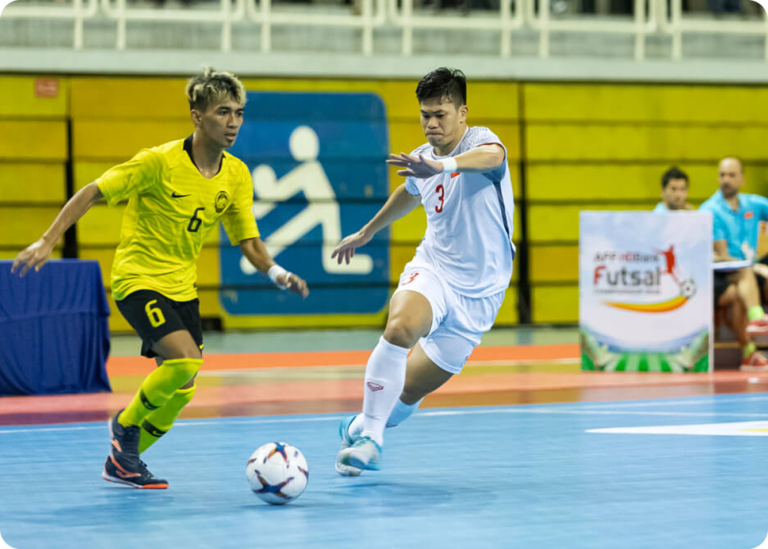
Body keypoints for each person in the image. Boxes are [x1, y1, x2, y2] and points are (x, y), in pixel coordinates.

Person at [11, 68, 309, 489]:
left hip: (181, 288)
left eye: (239, 113)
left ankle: (124, 463)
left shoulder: (236, 175)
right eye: (223, 112)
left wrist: (279, 273)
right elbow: (92, 192)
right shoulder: (158, 163)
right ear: (197, 116)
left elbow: (248, 240)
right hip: (137, 279)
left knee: (183, 389)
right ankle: (124, 427)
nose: (233, 122)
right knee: (184, 359)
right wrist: (46, 242)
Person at [331, 67, 515, 474]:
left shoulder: (480, 143)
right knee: (399, 328)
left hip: (481, 295)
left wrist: (445, 166)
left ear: (462, 113)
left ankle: (360, 426)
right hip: (434, 270)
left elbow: (494, 157)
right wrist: (366, 232)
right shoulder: (424, 159)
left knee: (407, 393)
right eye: (425, 115)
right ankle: (372, 440)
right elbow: (408, 191)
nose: (432, 124)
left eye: (441, 114)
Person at [700, 157, 768, 371]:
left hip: (746, 270)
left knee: (743, 286)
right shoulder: (711, 209)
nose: (726, 180)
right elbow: (722, 254)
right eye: (722, 175)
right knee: (742, 282)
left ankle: (750, 349)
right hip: (719, 272)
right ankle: (757, 320)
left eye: (731, 175)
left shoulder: (753, 203)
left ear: (742, 178)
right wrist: (754, 266)